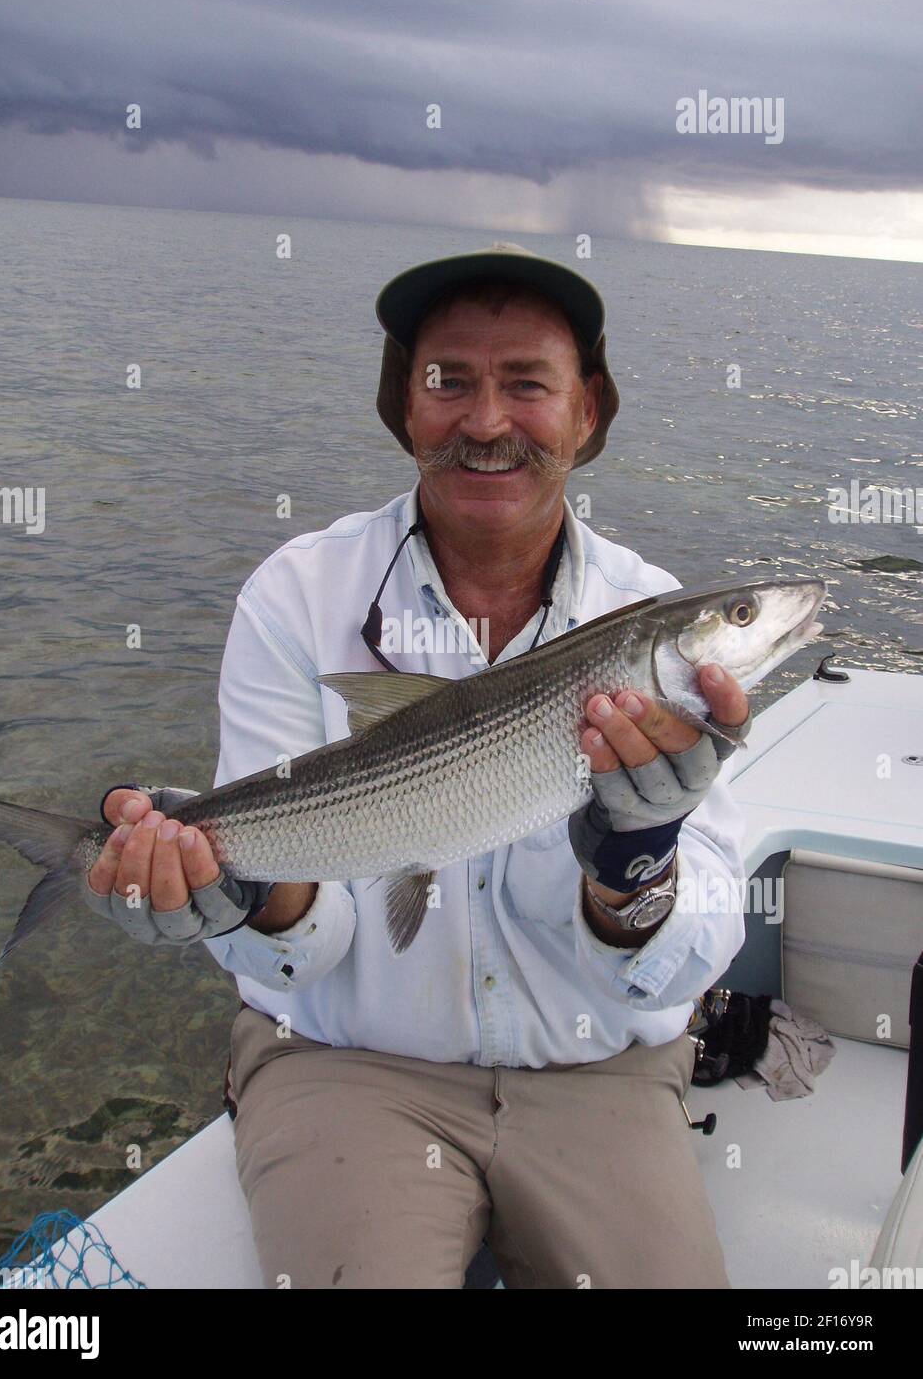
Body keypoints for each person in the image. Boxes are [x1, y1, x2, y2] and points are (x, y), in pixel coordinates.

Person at [84, 242, 750, 1289]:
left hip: (596, 1067)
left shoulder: (649, 610)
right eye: (448, 381)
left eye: (527, 382)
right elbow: (310, 947)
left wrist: (636, 866)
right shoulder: (297, 595)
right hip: (346, 1064)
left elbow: (699, 938)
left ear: (589, 412)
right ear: (404, 407)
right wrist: (235, 891)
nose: (486, 423)